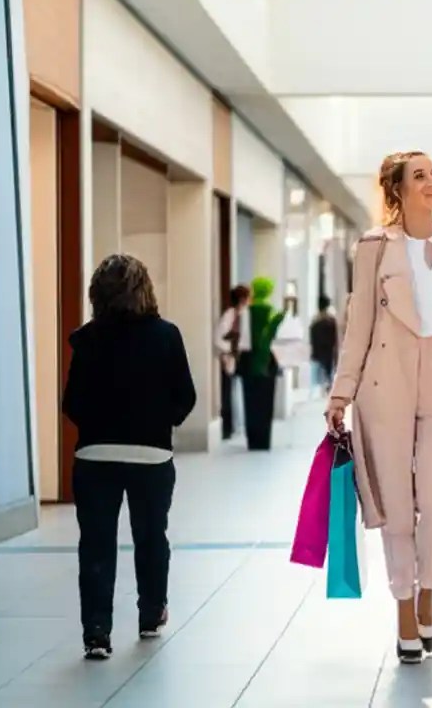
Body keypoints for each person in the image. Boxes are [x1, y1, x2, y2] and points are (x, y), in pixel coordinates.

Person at [325, 150, 432, 665]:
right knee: (397, 505)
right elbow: (358, 327)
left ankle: (429, 594)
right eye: (419, 175)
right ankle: (403, 607)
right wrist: (341, 391)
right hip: (385, 383)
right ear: (397, 190)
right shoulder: (375, 247)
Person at [61, 254, 197, 661]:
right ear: (145, 290)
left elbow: (73, 402)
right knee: (151, 536)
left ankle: (97, 633)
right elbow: (185, 396)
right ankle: (151, 614)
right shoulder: (167, 335)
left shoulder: (85, 339)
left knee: (97, 543)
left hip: (96, 455)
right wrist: (158, 424)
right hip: (151, 455)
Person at [239, 277, 284, 451]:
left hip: (249, 362)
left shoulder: (245, 312)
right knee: (266, 402)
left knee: (250, 400)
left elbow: (243, 340)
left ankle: (252, 440)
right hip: (267, 362)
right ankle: (264, 441)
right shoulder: (273, 312)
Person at [214, 284, 251, 440]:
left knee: (237, 392)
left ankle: (237, 426)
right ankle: (228, 428)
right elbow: (218, 338)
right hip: (232, 358)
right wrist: (231, 348)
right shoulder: (231, 314)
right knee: (228, 393)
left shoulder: (245, 314)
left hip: (243, 357)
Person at [309, 295, 338, 395]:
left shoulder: (315, 321)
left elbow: (312, 339)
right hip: (329, 353)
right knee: (329, 376)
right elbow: (335, 338)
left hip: (317, 353)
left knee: (316, 382)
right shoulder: (331, 321)